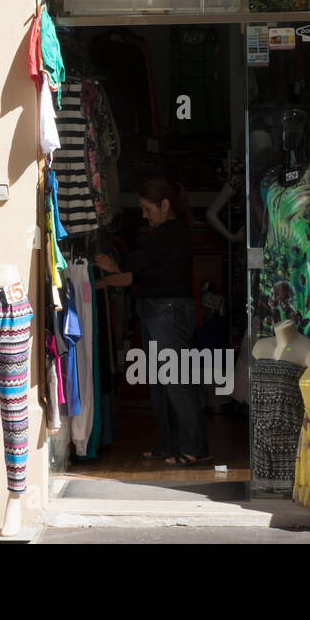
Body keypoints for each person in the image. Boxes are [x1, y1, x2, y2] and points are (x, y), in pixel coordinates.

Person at [94, 176, 211, 466]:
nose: (145, 216)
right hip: (157, 310)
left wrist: (114, 267)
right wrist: (108, 279)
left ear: (165, 205)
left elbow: (137, 264)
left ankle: (194, 447)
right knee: (162, 383)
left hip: (167, 312)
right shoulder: (166, 233)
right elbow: (142, 272)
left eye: (148, 209)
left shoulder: (173, 232)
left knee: (175, 380)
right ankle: (171, 444)